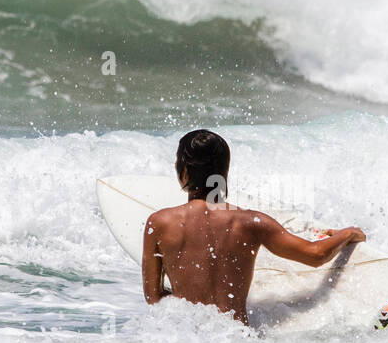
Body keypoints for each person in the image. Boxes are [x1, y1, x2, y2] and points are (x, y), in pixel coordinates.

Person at [142, 130, 365, 323]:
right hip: (238, 340)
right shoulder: (251, 222)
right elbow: (315, 255)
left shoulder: (159, 223)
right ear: (224, 172)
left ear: (185, 171)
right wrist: (348, 233)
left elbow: (154, 299)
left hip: (185, 340)